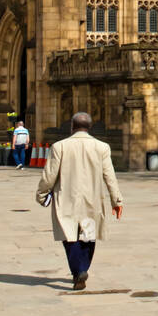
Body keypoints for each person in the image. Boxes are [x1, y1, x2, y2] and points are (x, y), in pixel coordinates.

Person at [36, 111, 123, 291]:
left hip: (66, 199)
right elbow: (110, 176)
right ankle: (82, 269)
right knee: (88, 237)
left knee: (69, 237)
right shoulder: (102, 147)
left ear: (72, 126)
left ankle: (78, 271)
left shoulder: (59, 147)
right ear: (89, 127)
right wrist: (117, 200)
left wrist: (41, 194)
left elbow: (49, 175)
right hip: (92, 200)